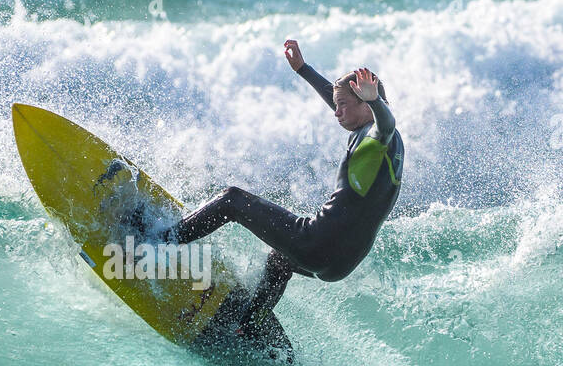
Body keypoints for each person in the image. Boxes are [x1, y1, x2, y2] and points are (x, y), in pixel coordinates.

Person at [164, 39, 405, 339]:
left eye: (343, 105)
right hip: (341, 264)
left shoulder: (378, 134)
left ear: (366, 104)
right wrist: (304, 69)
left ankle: (160, 241)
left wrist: (375, 102)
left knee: (232, 200)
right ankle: (249, 325)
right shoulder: (387, 145)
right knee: (279, 259)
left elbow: (386, 121)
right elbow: (347, 105)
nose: (336, 112)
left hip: (317, 241)